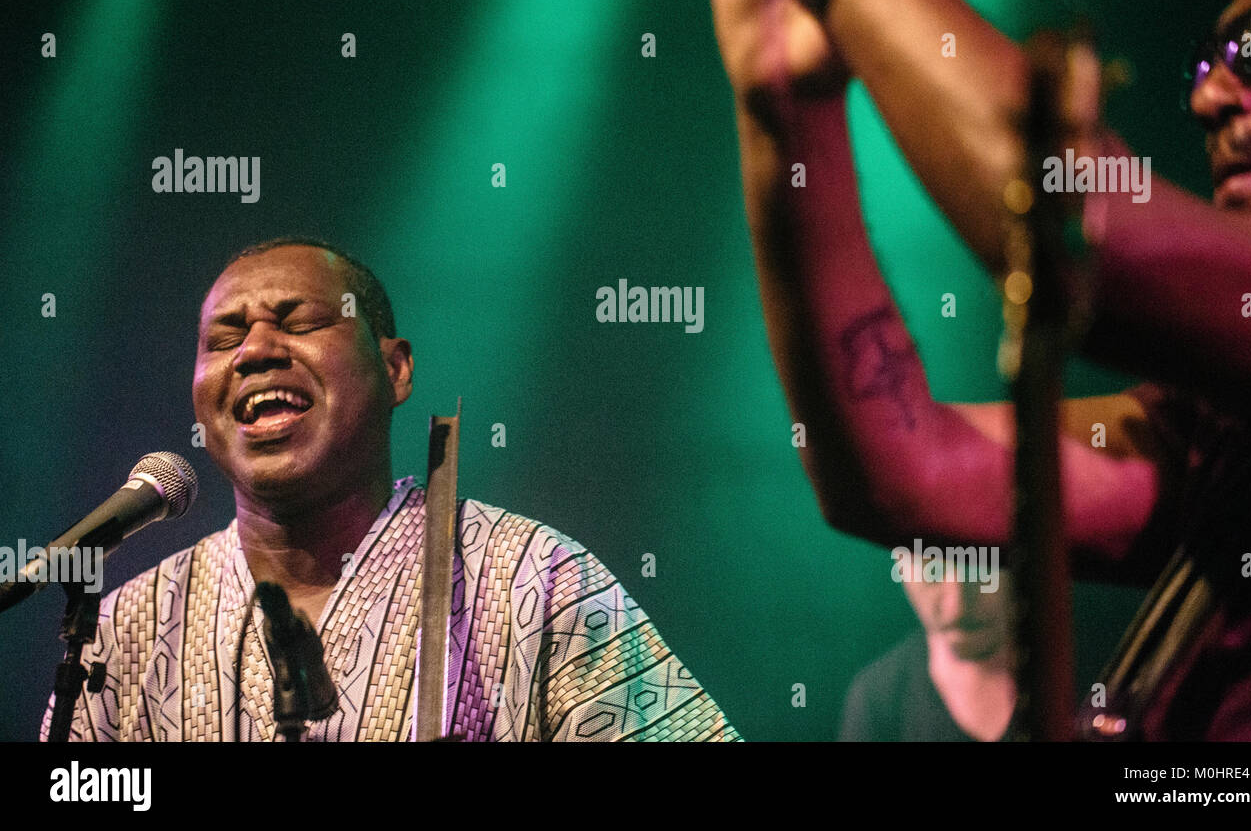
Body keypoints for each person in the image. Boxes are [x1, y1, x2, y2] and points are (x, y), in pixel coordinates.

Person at [707, 0, 1251, 739]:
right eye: (1207, 67)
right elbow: (900, 470)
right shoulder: (1236, 433)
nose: (1210, 99)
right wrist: (785, 106)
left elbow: (1083, 235)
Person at [40, 238, 738, 742]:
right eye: (224, 340)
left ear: (396, 370)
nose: (254, 351)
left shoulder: (538, 579)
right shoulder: (127, 629)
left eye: (299, 321)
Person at [840, 553, 1014, 742]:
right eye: (933, 572)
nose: (957, 608)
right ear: (900, 564)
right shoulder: (877, 700)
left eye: (982, 567)